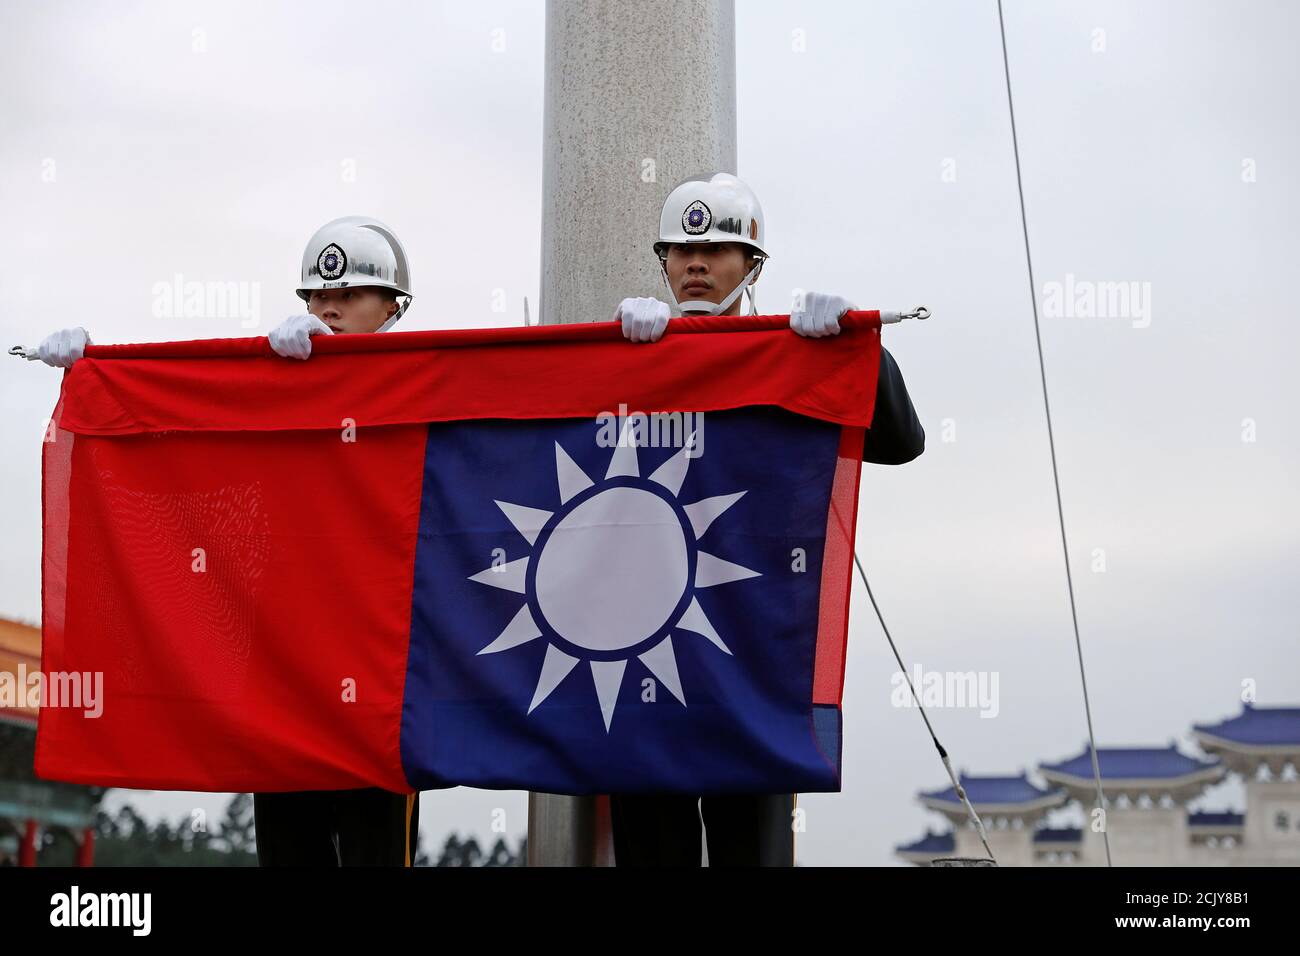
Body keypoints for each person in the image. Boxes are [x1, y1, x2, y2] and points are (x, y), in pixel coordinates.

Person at [34, 216, 423, 866]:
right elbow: (178, 439)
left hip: (379, 685)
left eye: (349, 295)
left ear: (391, 307)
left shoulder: (423, 386)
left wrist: (644, 353)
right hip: (281, 683)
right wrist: (100, 376)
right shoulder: (266, 389)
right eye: (315, 296)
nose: (326, 306)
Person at [609, 172, 925, 866]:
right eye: (681, 251)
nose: (695, 264)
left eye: (718, 249)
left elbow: (903, 441)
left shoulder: (791, 360)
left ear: (753, 265)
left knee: (750, 852)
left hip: (750, 659)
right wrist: (604, 359)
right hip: (642, 659)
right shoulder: (628, 358)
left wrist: (856, 354)